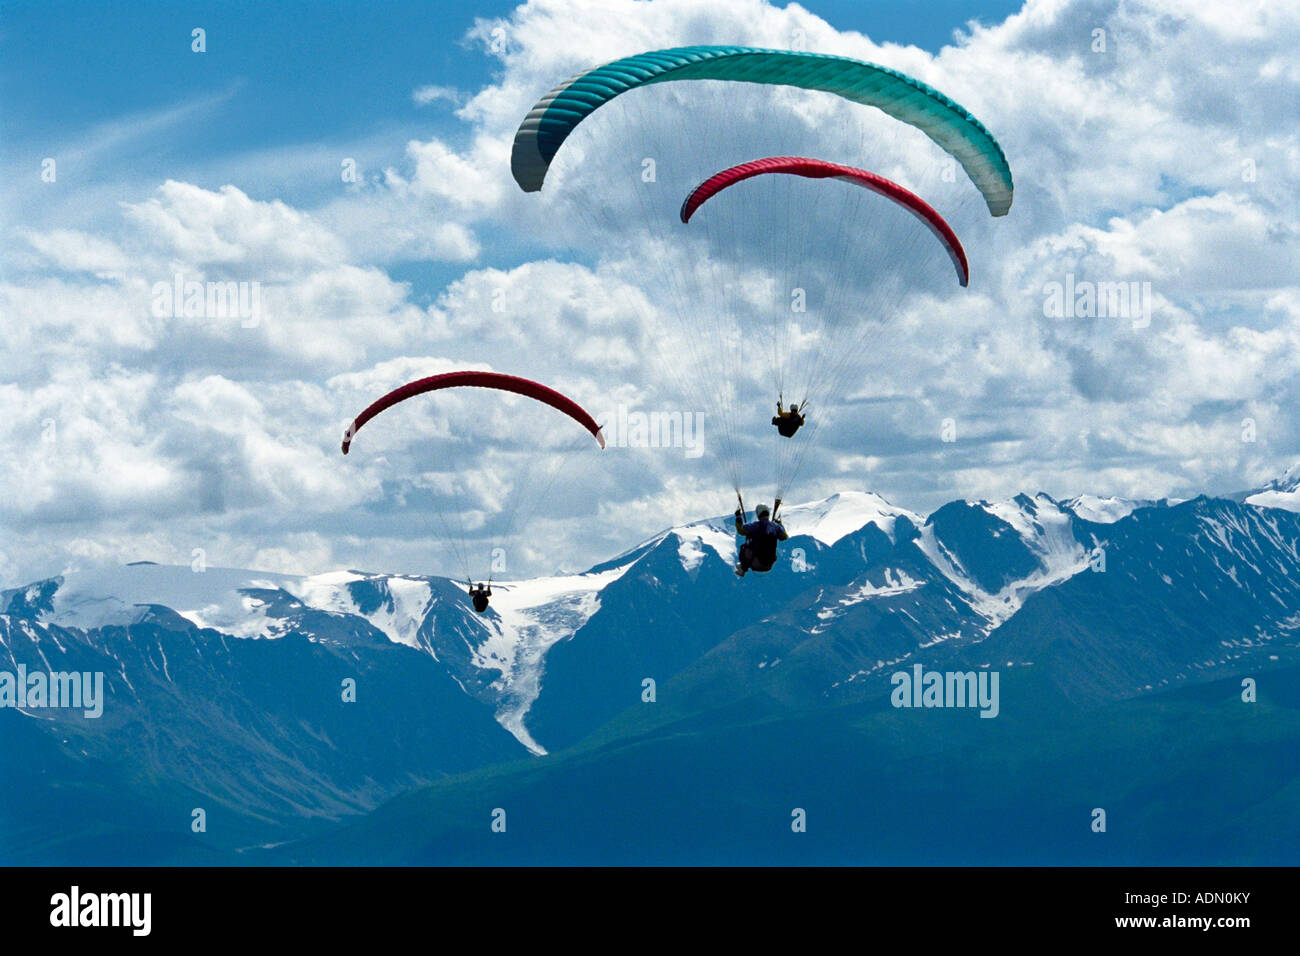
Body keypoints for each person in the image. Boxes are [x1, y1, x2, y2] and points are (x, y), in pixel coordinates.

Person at [734, 502, 788, 577]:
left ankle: (743, 569)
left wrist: (738, 517)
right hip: (769, 565)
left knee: (744, 548)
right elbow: (784, 536)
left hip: (756, 562)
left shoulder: (756, 526)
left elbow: (741, 530)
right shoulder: (775, 527)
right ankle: (743, 568)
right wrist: (779, 524)